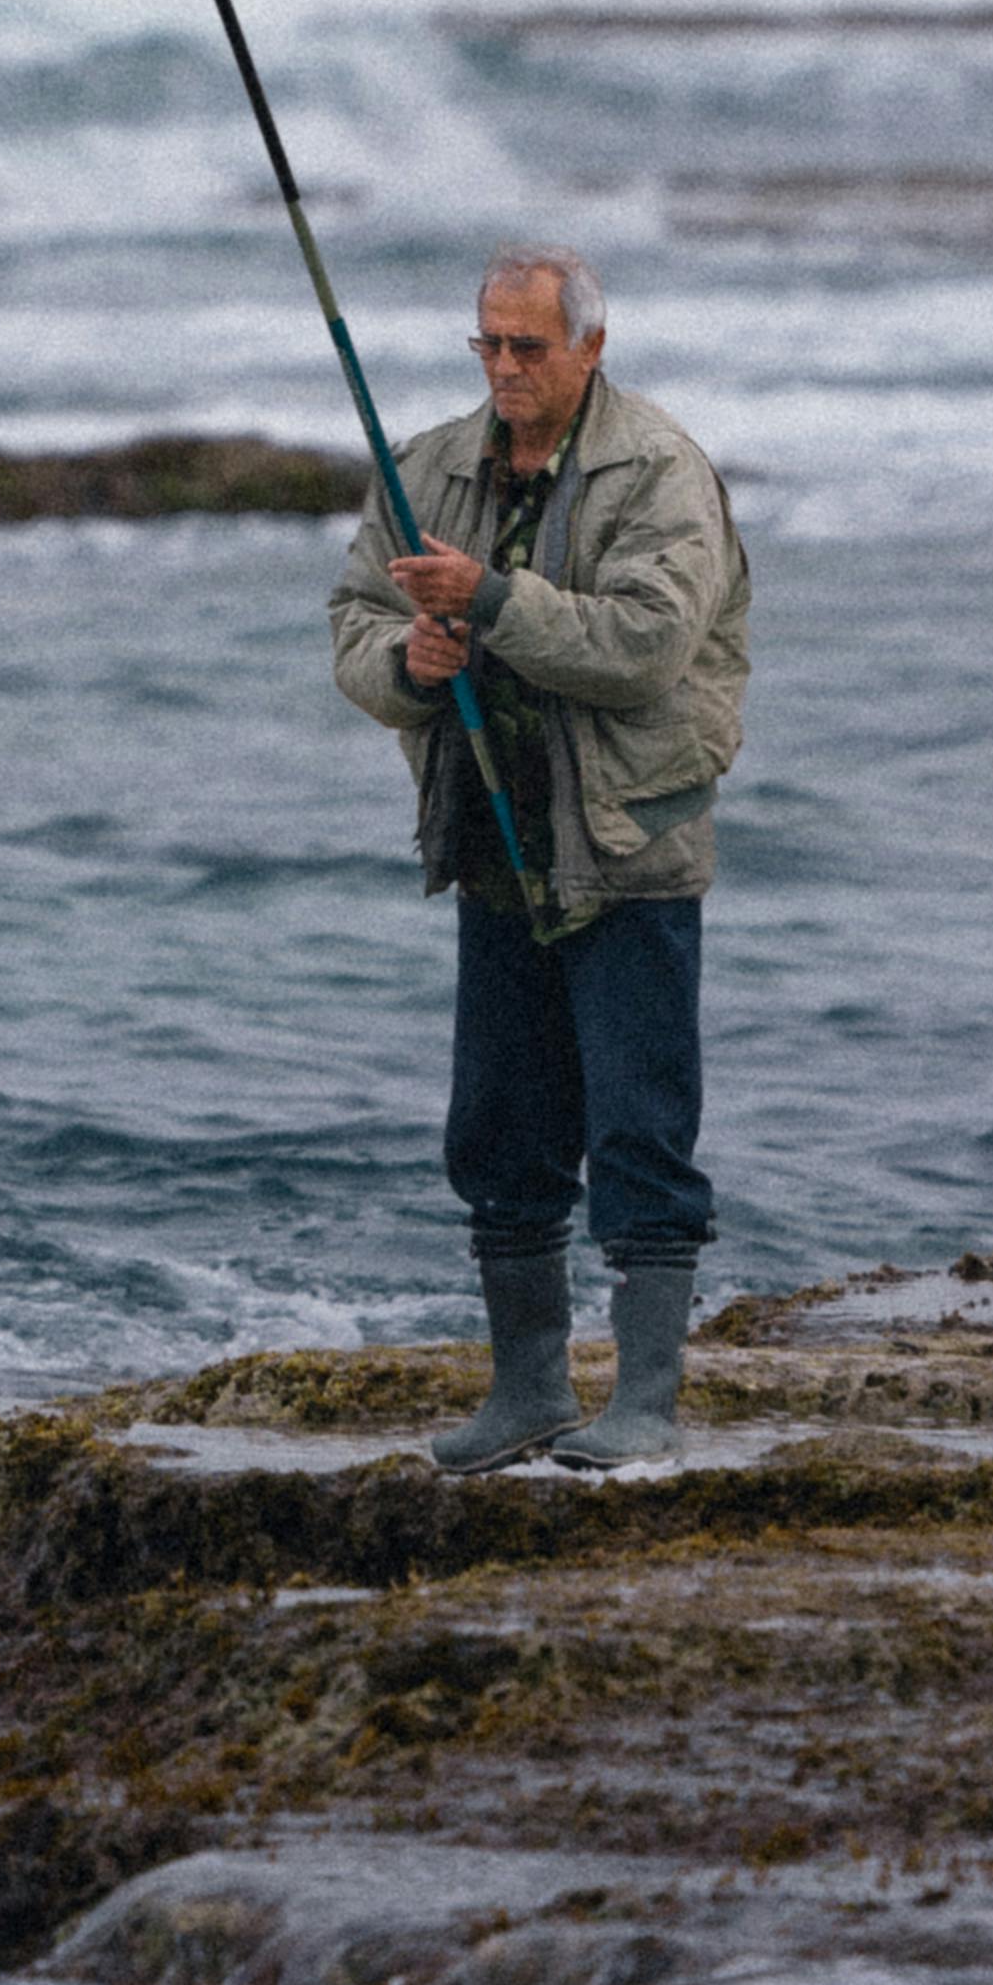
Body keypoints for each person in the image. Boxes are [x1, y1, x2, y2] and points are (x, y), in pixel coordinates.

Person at [326, 250, 749, 1473]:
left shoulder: (659, 470)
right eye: (488, 346)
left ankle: (647, 1403)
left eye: (529, 348)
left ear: (590, 348)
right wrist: (410, 661)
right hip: (490, 841)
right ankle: (526, 1391)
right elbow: (351, 616)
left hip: (624, 846)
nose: (506, 370)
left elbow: (646, 646)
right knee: (498, 1130)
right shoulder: (425, 469)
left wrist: (494, 604)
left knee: (637, 1127)